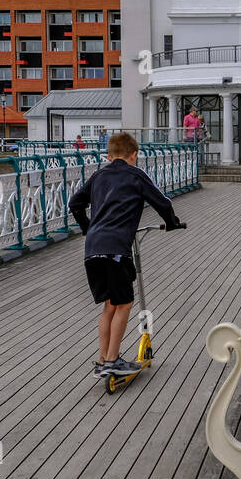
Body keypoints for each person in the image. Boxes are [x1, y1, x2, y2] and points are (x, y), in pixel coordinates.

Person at [68, 132, 184, 379]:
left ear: (110, 156)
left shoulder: (99, 176)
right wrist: (172, 223)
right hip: (116, 250)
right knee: (125, 303)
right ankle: (112, 361)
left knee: (110, 305)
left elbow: (75, 203)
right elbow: (162, 202)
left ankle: (103, 359)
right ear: (134, 155)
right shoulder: (135, 175)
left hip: (92, 250)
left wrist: (88, 228)